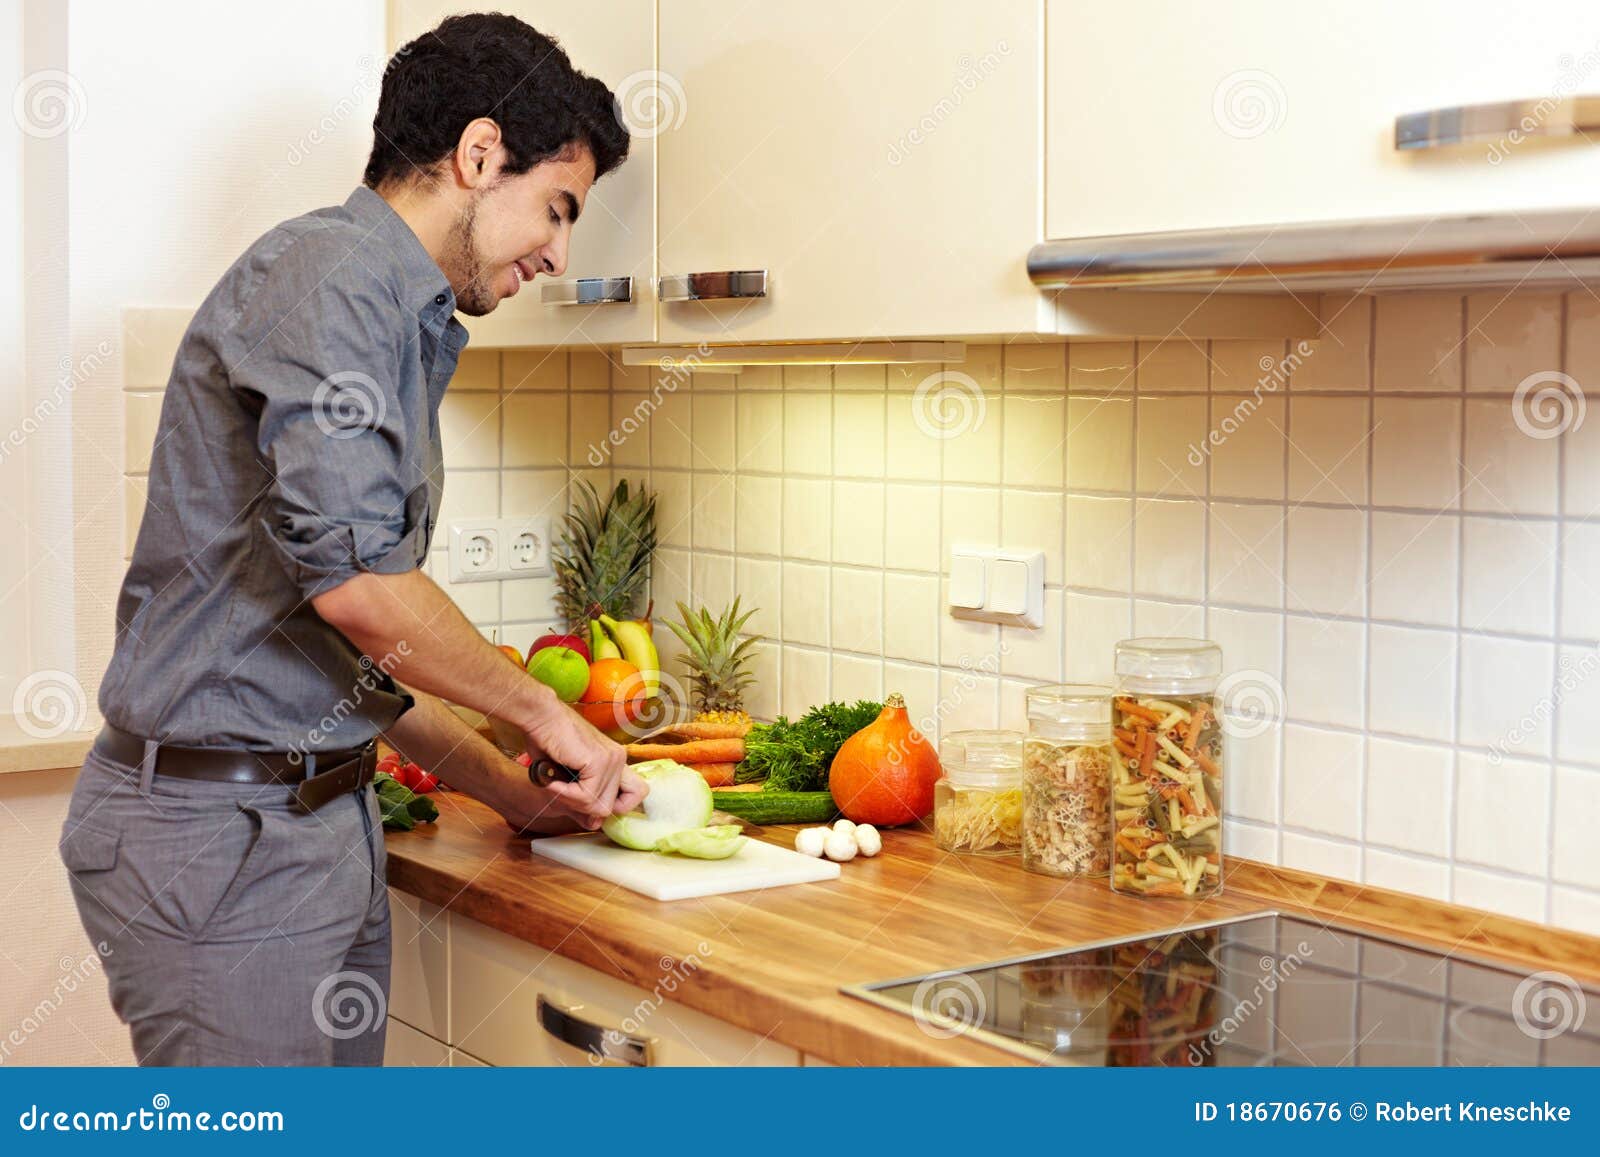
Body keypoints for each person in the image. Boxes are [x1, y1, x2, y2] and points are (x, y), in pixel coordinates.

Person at [57, 13, 644, 1066]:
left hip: (315, 823)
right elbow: (367, 593)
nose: (558, 253)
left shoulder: (400, 318)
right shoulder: (329, 282)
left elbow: (357, 656)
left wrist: (514, 792)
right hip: (222, 838)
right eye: (557, 209)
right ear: (476, 156)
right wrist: (549, 715)